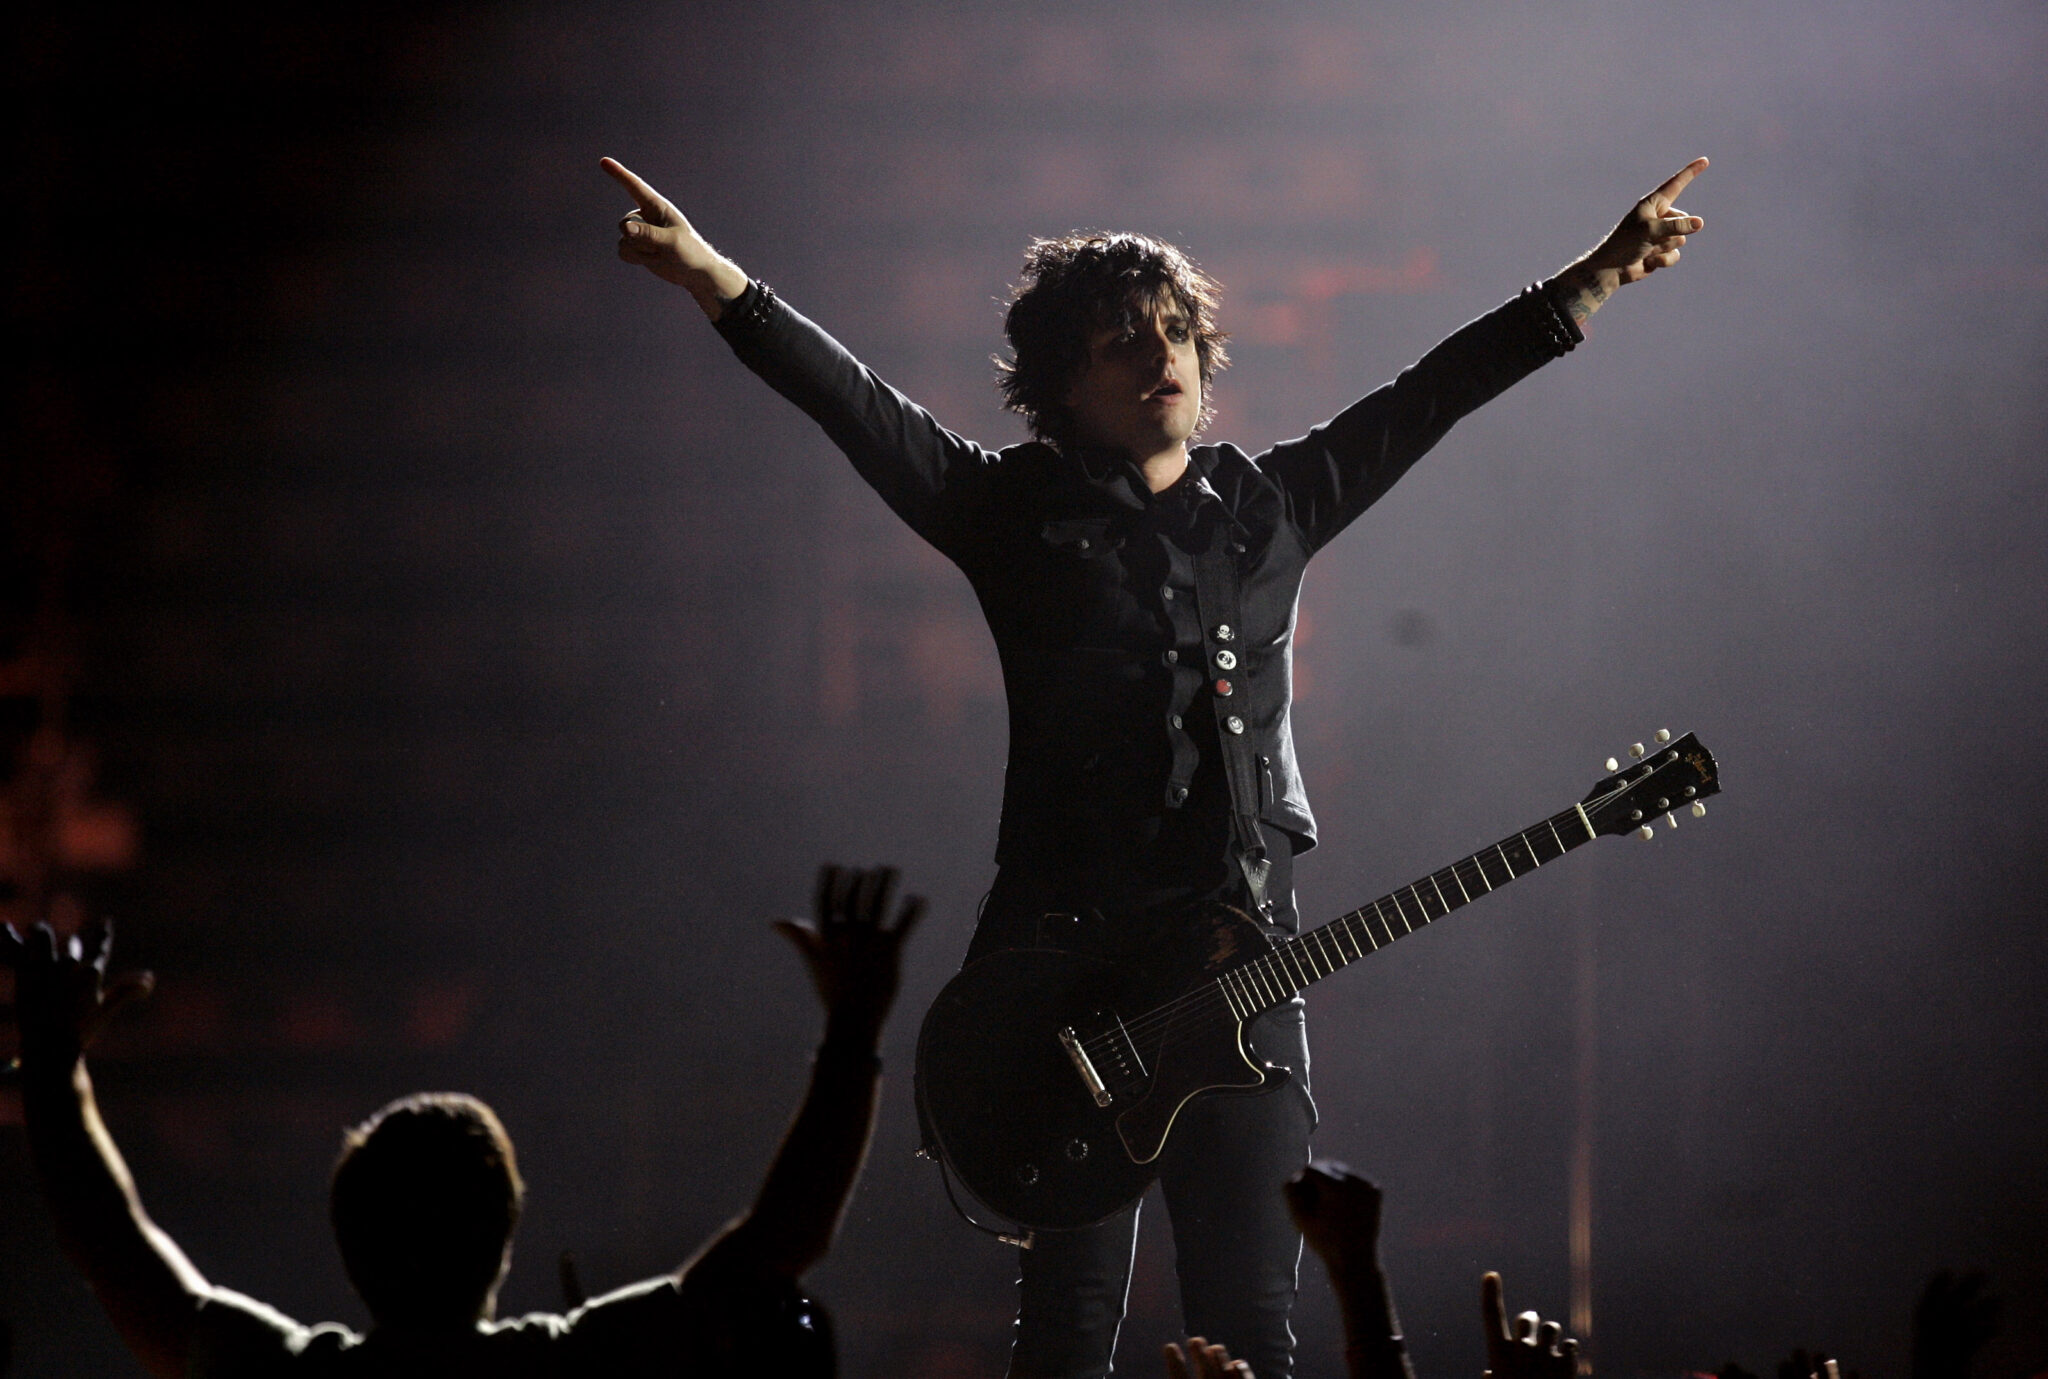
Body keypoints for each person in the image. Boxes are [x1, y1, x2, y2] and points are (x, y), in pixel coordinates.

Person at [604, 150, 1707, 1379]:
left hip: (1245, 961)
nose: (1161, 357)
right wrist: (711, 276)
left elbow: (1428, 394)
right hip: (1061, 983)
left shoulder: (1266, 507)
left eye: (1175, 331)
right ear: (1063, 383)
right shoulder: (1008, 513)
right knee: (1071, 1325)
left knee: (1254, 1323)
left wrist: (1593, 278)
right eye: (1125, 342)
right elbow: (859, 407)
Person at [2, 863, 921, 1376]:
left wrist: (53, 1065)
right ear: (505, 1236)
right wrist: (853, 1028)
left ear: (346, 1244)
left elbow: (114, 1249)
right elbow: (783, 1239)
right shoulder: (578, 1371)